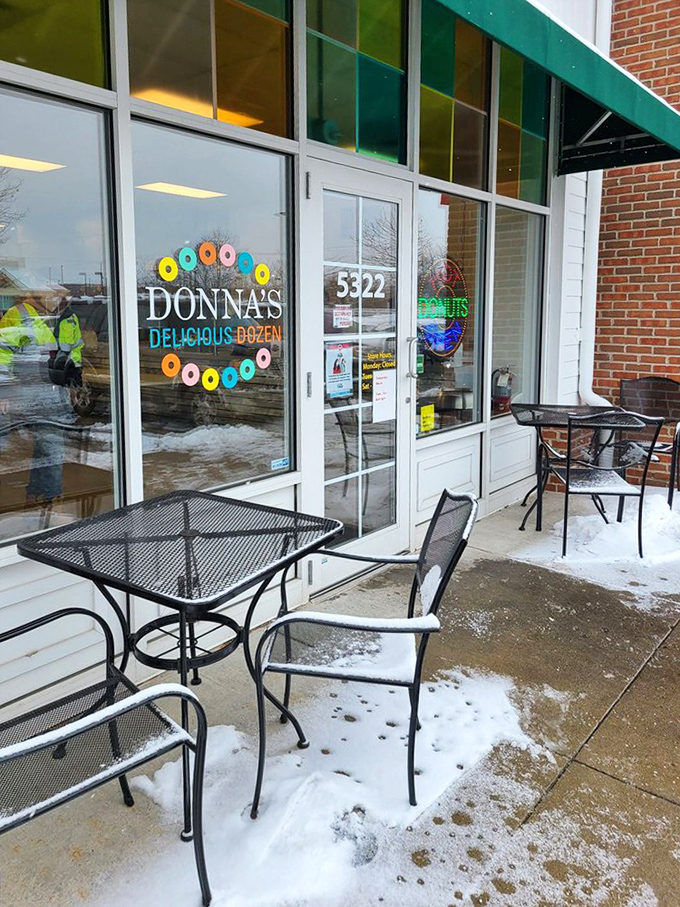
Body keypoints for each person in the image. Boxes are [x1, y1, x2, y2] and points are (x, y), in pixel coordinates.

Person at [0, 292, 71, 508]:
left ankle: (44, 500)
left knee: (50, 450)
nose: (58, 301)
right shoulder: (18, 316)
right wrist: (3, 391)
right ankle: (43, 500)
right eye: (55, 297)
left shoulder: (48, 320)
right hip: (25, 395)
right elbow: (2, 353)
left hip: (46, 396)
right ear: (37, 297)